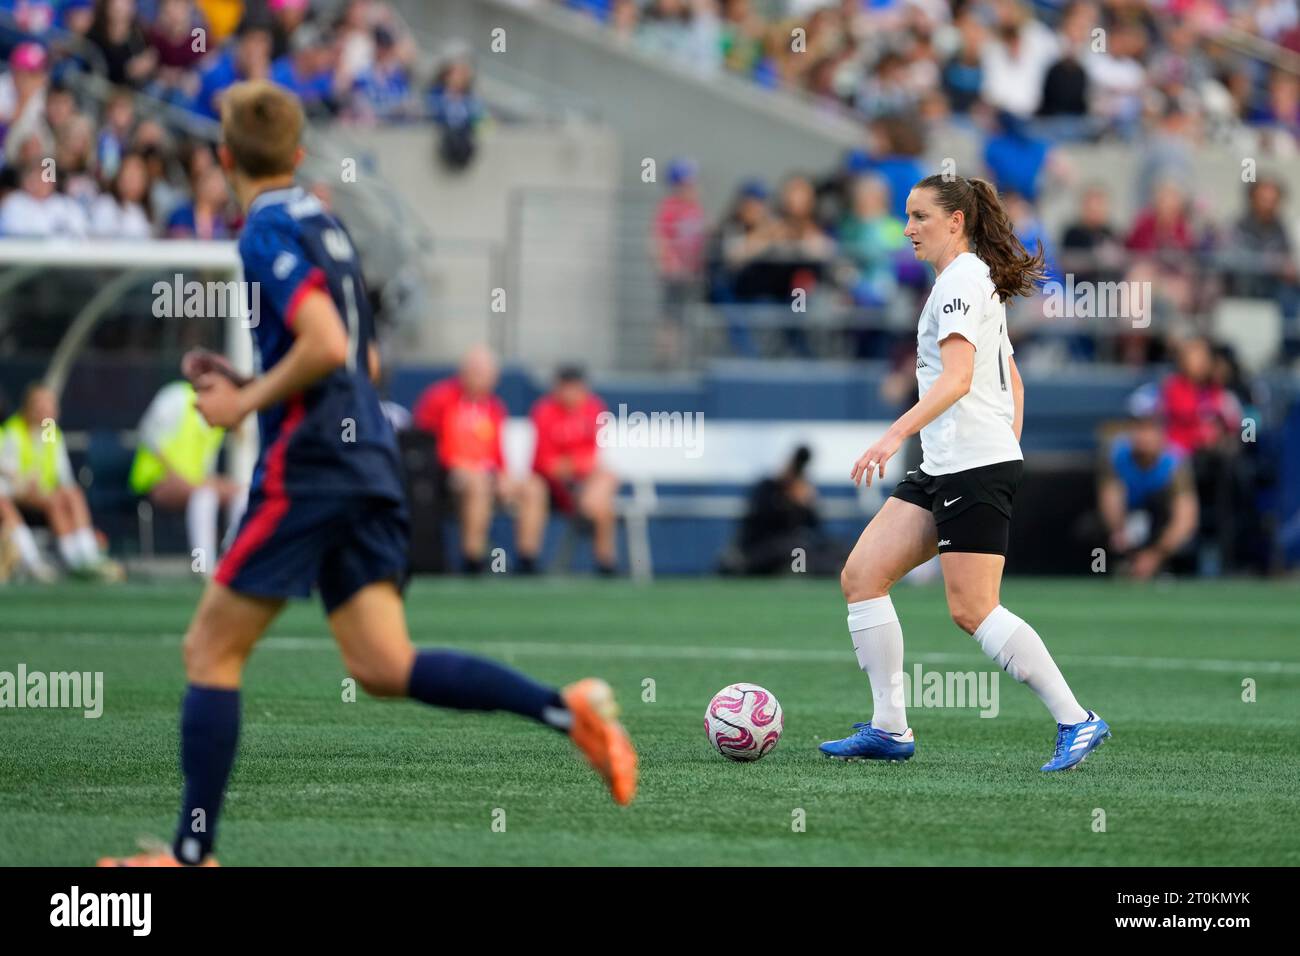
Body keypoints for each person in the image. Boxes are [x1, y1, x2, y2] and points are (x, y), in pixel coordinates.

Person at [98, 81, 635, 868]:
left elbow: (322, 344)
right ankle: (567, 710)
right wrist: (268, 381)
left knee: (209, 651)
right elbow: (364, 355)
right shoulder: (329, 225)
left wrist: (246, 399)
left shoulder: (265, 231)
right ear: (298, 150)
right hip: (366, 455)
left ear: (221, 158)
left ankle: (189, 857)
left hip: (313, 466)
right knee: (382, 666)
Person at [819, 174, 1110, 772]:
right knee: (862, 576)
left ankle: (1076, 719)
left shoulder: (959, 282)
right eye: (906, 216)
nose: (907, 229)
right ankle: (889, 728)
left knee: (973, 609)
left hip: (969, 465)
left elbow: (956, 381)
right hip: (951, 462)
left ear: (955, 221)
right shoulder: (973, 279)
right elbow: (1013, 377)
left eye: (920, 216)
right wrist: (1004, 441)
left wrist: (893, 435)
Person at [411, 346, 533, 575]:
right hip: (448, 475)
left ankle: (527, 559)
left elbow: (496, 452)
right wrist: (454, 464)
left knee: (533, 487)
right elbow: (422, 446)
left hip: (487, 474)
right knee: (478, 483)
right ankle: (472, 558)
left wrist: (504, 475)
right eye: (477, 371)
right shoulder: (439, 398)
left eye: (488, 374)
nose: (484, 379)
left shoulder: (495, 407)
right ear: (464, 372)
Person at [0, 384, 123, 580]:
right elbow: (8, 477)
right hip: (16, 494)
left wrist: (58, 490)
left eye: (49, 405)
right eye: (40, 405)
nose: (45, 410)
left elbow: (62, 476)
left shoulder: (50, 432)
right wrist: (26, 484)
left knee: (71, 494)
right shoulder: (13, 431)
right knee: (55, 500)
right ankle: (38, 562)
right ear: (29, 407)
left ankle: (86, 557)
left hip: (45, 494)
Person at [129, 380, 244, 573]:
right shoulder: (176, 397)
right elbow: (148, 434)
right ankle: (202, 567)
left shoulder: (216, 422)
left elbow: (204, 469)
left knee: (242, 493)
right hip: (155, 481)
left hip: (193, 483)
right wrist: (177, 475)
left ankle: (234, 563)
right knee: (205, 495)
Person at [520, 366, 619, 575]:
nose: (570, 394)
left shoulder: (594, 409)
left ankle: (605, 562)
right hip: (550, 487)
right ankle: (527, 560)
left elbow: (592, 457)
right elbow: (545, 462)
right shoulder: (544, 410)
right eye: (565, 388)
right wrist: (570, 466)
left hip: (584, 485)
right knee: (532, 490)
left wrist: (570, 465)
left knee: (605, 486)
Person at [1094, 396, 1198, 580]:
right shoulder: (1116, 455)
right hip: (1128, 526)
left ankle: (1165, 571)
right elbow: (1110, 500)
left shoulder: (1175, 463)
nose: (1142, 435)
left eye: (1150, 427)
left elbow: (1185, 520)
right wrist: (1120, 534)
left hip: (1160, 531)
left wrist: (1155, 555)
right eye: (1138, 427)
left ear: (1161, 431)